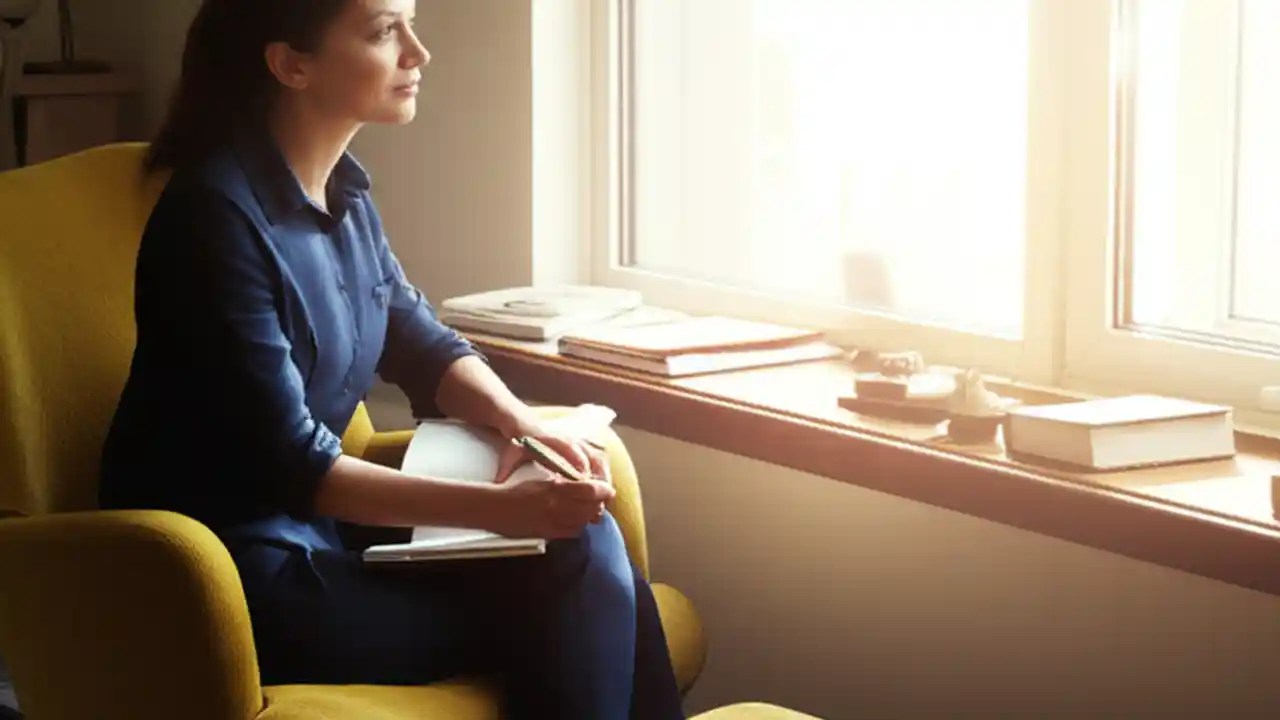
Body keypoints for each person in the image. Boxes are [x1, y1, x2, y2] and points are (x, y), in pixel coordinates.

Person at [98, 1, 685, 718]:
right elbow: (297, 464)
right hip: (232, 576)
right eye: (383, 31)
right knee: (567, 580)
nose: (418, 52)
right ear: (291, 64)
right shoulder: (212, 221)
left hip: (317, 536)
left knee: (588, 543)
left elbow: (420, 341)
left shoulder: (344, 193)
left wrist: (524, 424)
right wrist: (501, 509)